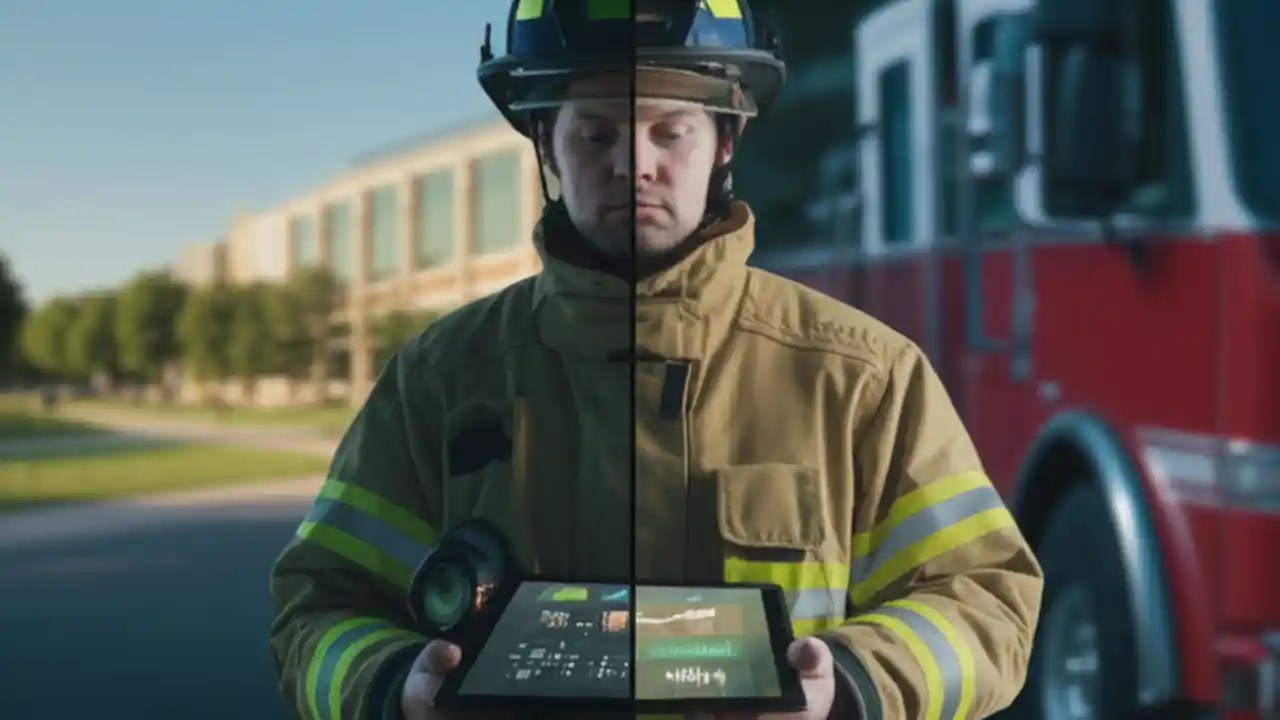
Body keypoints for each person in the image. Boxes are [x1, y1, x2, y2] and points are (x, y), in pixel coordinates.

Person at [268, 1, 1044, 719]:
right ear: (547, 145)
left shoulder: (863, 376)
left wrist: (849, 682)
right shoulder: (437, 379)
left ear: (724, 143)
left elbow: (984, 598)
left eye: (670, 130)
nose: (632, 164)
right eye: (595, 134)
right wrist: (389, 682)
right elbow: (319, 606)